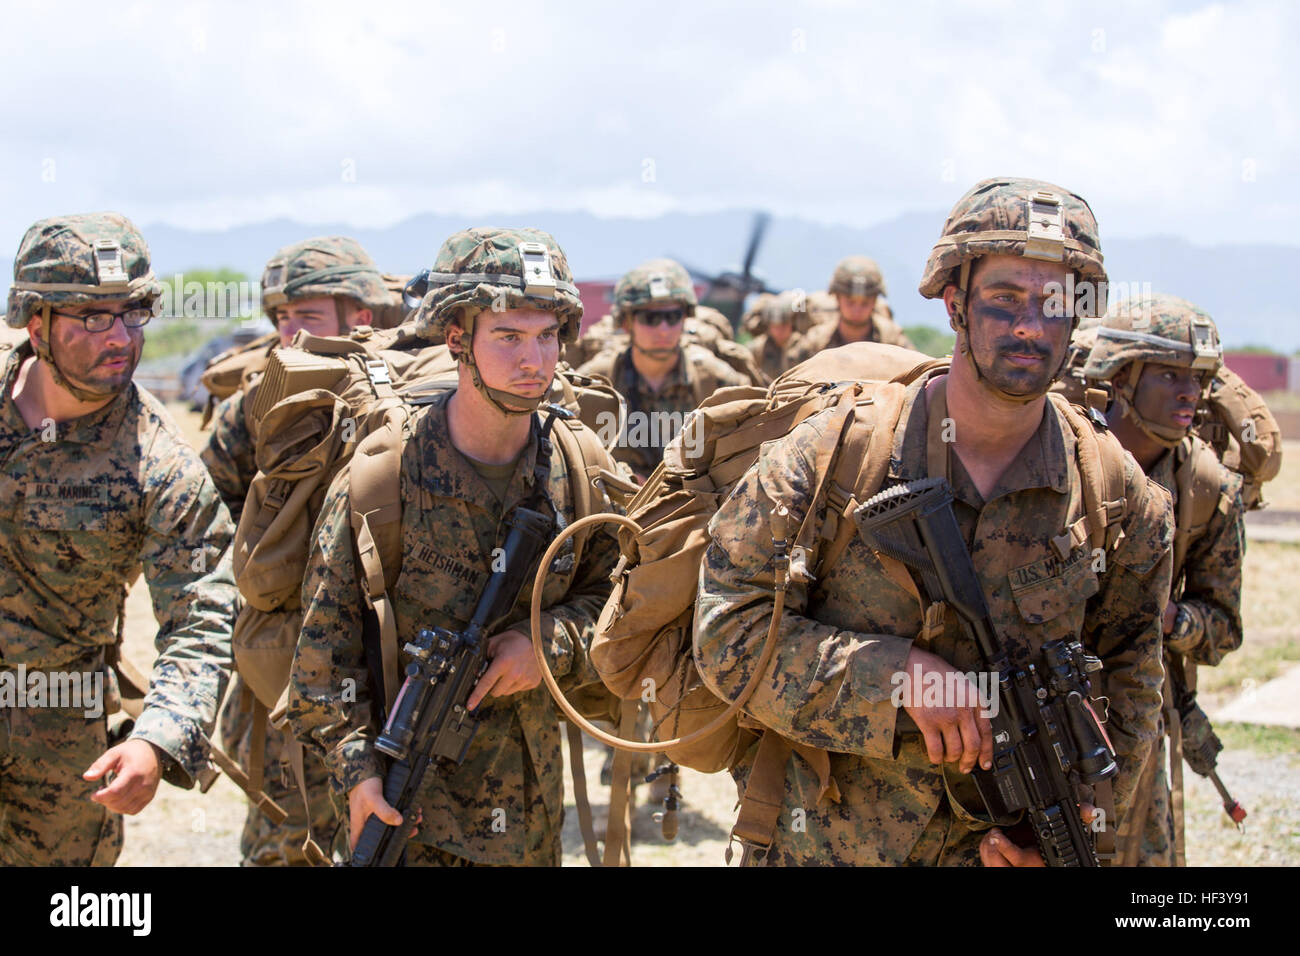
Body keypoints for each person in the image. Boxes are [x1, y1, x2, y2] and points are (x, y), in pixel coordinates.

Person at [694, 178, 1173, 866]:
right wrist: (897, 679)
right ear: (955, 305)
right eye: (1004, 300)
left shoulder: (1117, 494)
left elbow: (1133, 681)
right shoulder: (834, 456)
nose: (1029, 327)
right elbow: (726, 636)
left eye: (1054, 304)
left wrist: (1079, 828)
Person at [288, 226, 622, 865]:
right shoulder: (384, 478)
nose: (536, 361)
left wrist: (547, 645)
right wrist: (358, 777)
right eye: (508, 336)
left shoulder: (577, 466)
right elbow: (320, 668)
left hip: (531, 821)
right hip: (405, 823)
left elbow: (620, 603)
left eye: (547, 335)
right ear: (456, 341)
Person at [1, 212, 236, 865]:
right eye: (93, 316)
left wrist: (157, 738)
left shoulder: (160, 465)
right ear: (35, 323)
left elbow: (204, 614)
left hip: (58, 748)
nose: (120, 337)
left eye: (132, 314)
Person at [199, 236, 392, 866]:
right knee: (283, 841)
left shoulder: (403, 400)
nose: (288, 331)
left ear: (359, 315)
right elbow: (205, 517)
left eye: (306, 316)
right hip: (280, 674)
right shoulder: (255, 403)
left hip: (378, 668)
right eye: (280, 317)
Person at [1081, 294, 1246, 866]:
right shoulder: (1057, 454)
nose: (1190, 393)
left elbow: (1223, 627)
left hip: (1137, 707)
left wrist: (1172, 621)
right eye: (1170, 374)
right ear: (1121, 377)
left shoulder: (1207, 487)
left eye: (1198, 379)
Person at [578, 258, 749, 482]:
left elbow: (745, 459)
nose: (663, 329)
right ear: (627, 322)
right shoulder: (596, 383)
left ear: (685, 318)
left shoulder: (717, 381)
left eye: (672, 317)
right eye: (651, 318)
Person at [788, 254, 914, 362]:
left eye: (865, 303)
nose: (857, 310)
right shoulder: (815, 342)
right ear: (837, 298)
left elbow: (919, 371)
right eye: (850, 302)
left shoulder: (892, 340)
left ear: (875, 301)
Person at [745, 289, 807, 382]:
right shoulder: (757, 349)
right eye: (775, 326)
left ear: (791, 324)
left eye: (784, 325)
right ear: (769, 326)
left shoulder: (804, 346)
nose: (779, 331)